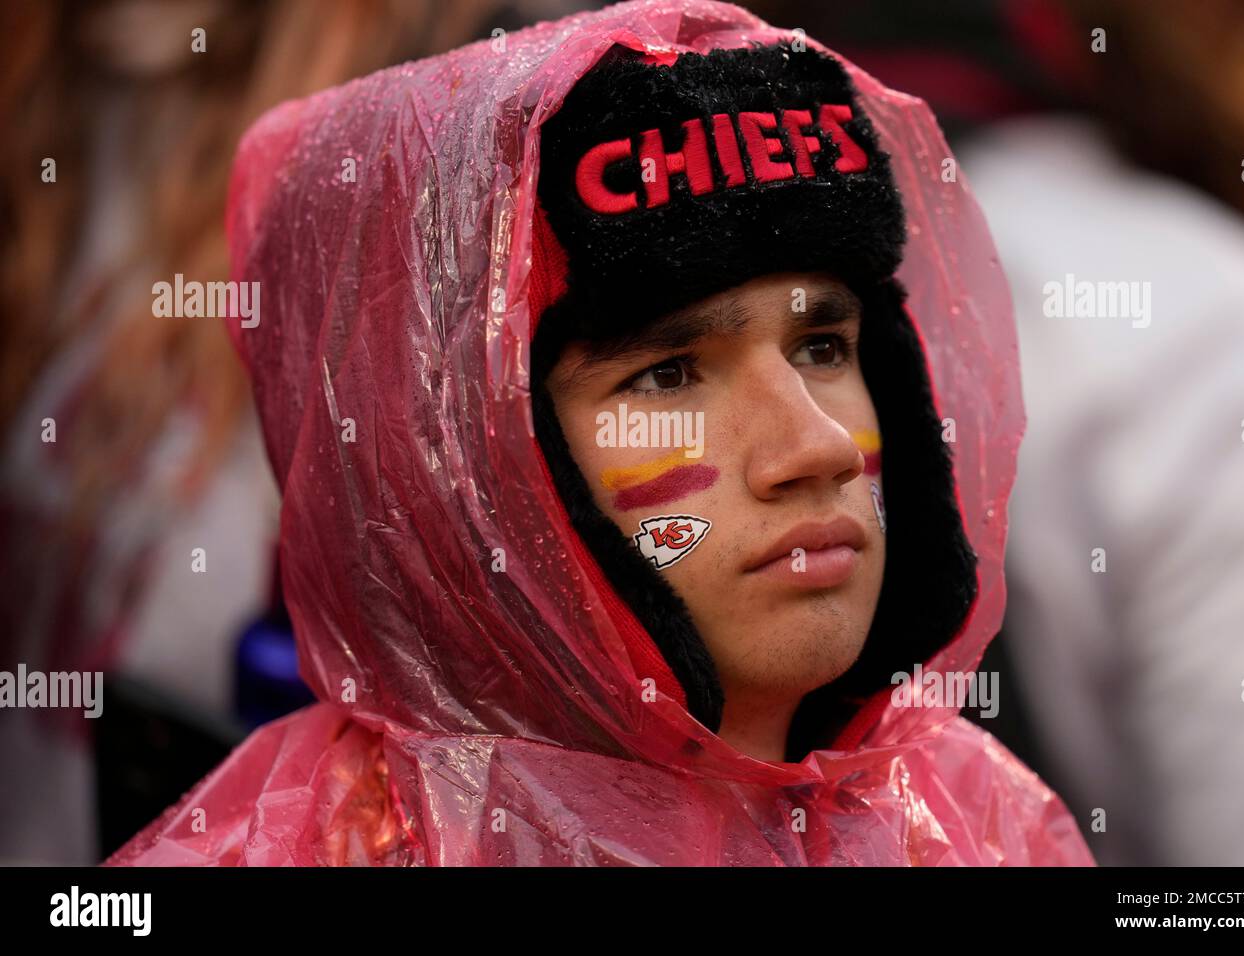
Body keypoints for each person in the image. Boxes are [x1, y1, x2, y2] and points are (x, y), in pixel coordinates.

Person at [106, 0, 1093, 866]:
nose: (816, 448)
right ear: (450, 472)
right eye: (666, 375)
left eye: (823, 344)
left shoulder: (979, 821)